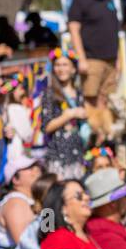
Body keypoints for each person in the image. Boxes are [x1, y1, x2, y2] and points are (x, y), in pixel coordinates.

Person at [66, 0, 121, 144]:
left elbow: (115, 31)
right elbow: (74, 30)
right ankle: (94, 138)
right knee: (91, 99)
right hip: (91, 59)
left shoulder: (108, 1)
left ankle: (106, 137)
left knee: (104, 99)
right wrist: (81, 58)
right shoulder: (80, 0)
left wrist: (118, 59)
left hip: (110, 59)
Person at [40, 48, 88, 180]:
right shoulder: (49, 94)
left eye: (65, 64)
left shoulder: (80, 94)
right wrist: (69, 115)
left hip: (78, 154)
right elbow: (46, 127)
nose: (61, 69)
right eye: (57, 65)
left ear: (73, 69)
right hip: (58, 156)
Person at [0, 157, 43, 249]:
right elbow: (25, 246)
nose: (36, 169)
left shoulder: (33, 200)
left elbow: (47, 232)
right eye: (29, 168)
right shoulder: (15, 203)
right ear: (15, 180)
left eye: (36, 166)